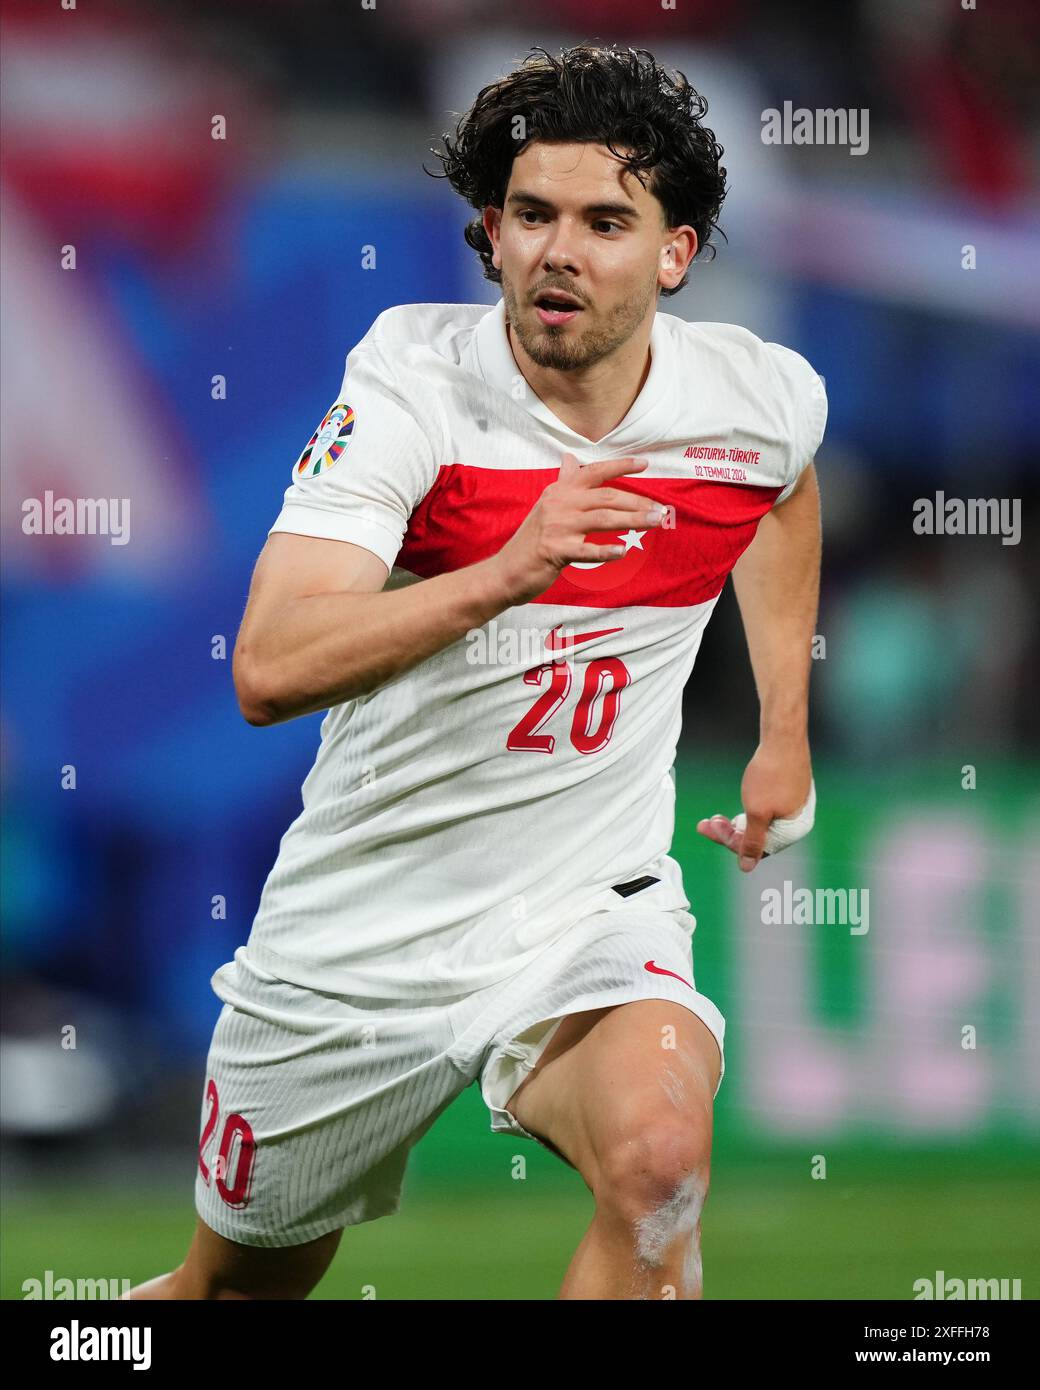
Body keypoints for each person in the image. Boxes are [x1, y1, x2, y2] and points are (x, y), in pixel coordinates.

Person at [126, 42, 825, 1302]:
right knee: (229, 1294)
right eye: (533, 216)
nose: (562, 249)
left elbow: (780, 496)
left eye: (607, 221)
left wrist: (784, 726)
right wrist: (506, 569)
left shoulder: (755, 395)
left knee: (659, 1162)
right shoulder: (410, 386)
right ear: (489, 235)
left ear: (675, 254)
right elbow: (270, 667)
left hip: (581, 904)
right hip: (360, 926)